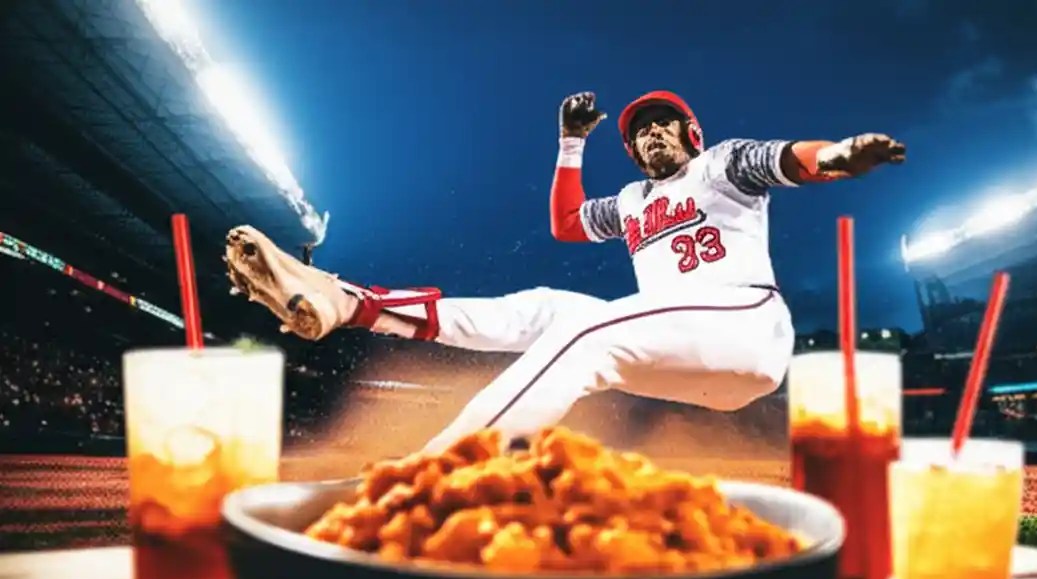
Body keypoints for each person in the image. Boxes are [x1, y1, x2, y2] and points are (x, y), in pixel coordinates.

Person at [224, 90, 906, 454]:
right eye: (641, 130)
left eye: (665, 124)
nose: (651, 134)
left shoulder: (720, 165)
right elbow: (568, 223)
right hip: (684, 356)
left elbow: (791, 161)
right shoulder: (635, 200)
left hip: (744, 325)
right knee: (551, 308)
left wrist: (843, 154)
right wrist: (571, 144)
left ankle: (439, 468)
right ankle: (356, 303)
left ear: (690, 135)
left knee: (588, 333)